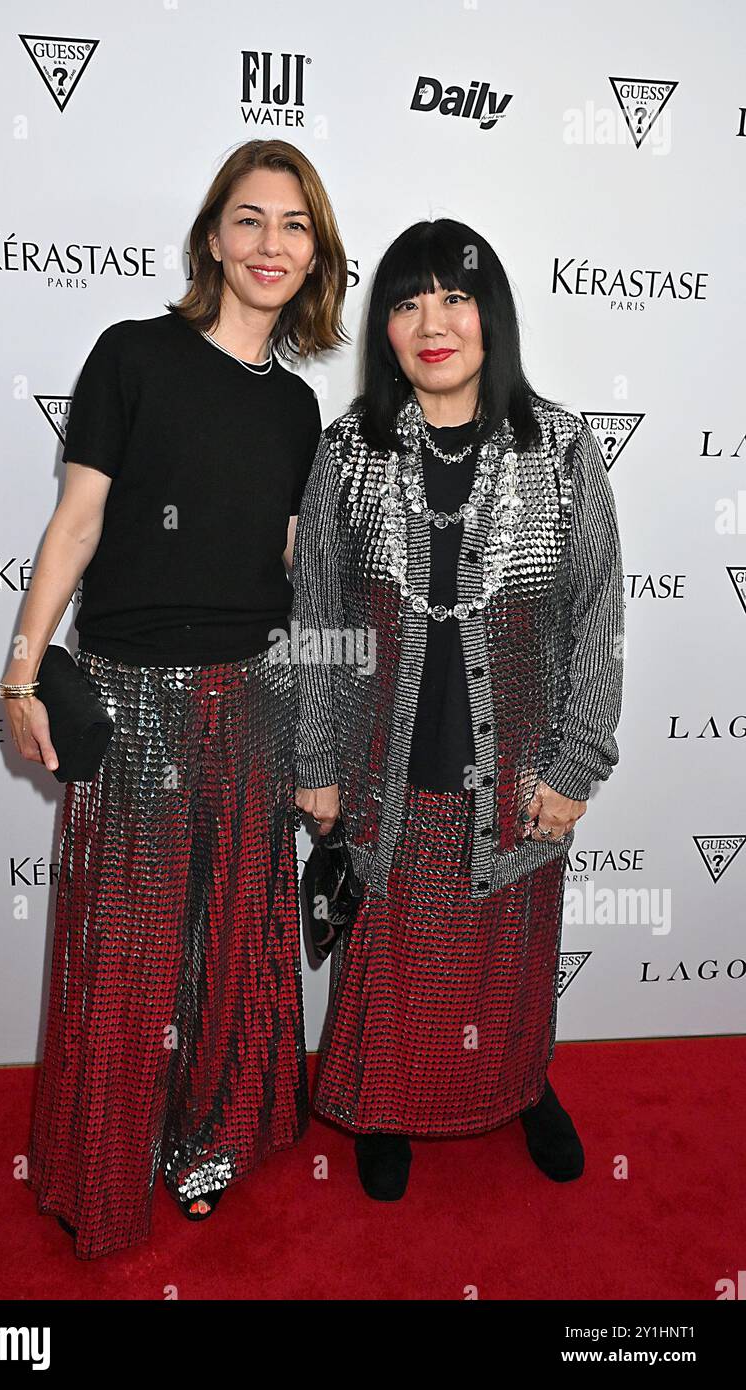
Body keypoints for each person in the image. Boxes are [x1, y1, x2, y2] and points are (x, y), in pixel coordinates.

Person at [0, 138, 348, 1258]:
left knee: (237, 941)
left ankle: (211, 1142)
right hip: (130, 696)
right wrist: (20, 668)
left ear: (315, 254)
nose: (270, 245)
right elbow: (79, 523)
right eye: (249, 220)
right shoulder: (132, 356)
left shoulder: (299, 410)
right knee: (126, 948)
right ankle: (101, 1172)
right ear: (212, 236)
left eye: (294, 226)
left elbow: (297, 573)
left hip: (252, 697)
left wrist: (324, 723)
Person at [292, 218, 625, 1200]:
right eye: (404, 302)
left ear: (493, 316)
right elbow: (318, 616)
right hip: (380, 767)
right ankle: (385, 1102)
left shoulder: (559, 447)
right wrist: (313, 761)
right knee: (389, 958)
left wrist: (575, 767)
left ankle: (523, 1085)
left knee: (511, 955)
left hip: (516, 773)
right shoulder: (349, 450)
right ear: (383, 328)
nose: (430, 322)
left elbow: (597, 613)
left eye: (453, 296)